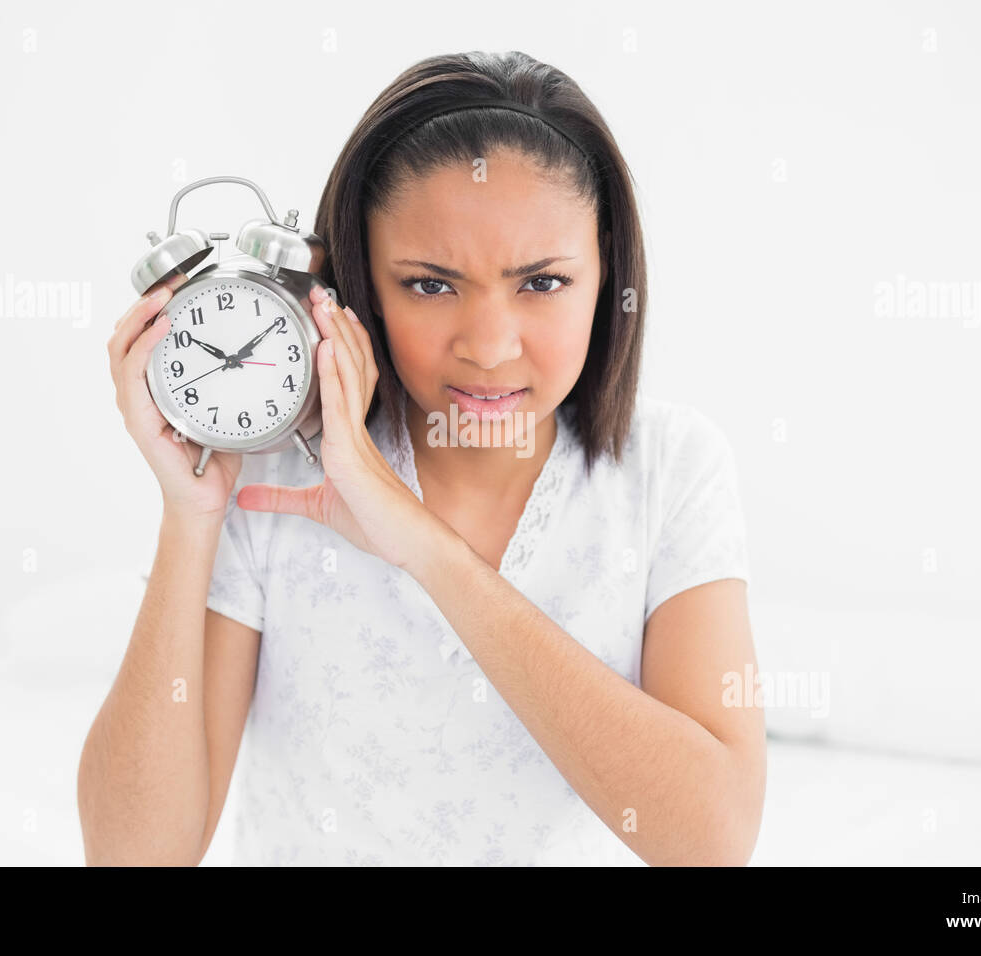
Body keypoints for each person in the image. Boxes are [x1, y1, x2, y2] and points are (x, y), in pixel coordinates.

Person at [79, 50, 765, 866]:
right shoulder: (274, 476)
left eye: (542, 283)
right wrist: (190, 514)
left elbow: (710, 844)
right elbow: (134, 859)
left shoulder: (671, 468)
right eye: (430, 285)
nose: (488, 347)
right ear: (360, 285)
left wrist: (423, 547)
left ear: (607, 270)